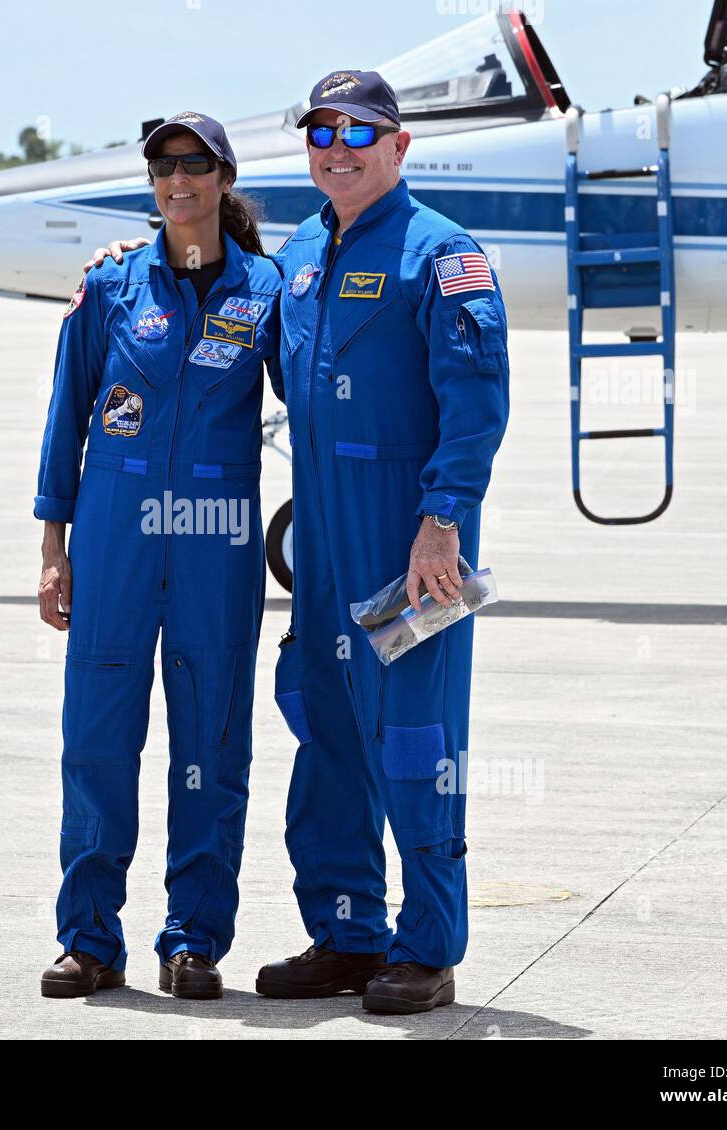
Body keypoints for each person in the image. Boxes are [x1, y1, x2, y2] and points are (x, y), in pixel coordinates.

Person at [89, 70, 509, 1014]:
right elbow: (228, 322)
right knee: (327, 736)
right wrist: (141, 250)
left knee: (413, 740)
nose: (338, 147)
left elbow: (478, 405)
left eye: (360, 132)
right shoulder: (303, 258)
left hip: (413, 547)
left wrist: (443, 521)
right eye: (322, 130)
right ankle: (350, 934)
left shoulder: (442, 257)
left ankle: (429, 947)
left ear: (398, 147)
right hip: (321, 545)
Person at [34, 112, 281, 1001]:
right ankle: (90, 940)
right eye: (161, 168)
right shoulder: (109, 289)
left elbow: (322, 395)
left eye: (192, 164)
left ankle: (193, 942)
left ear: (222, 177)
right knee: (98, 737)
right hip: (115, 537)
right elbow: (67, 422)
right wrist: (54, 549)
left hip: (216, 539)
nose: (176, 180)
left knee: (212, 740)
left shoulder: (269, 289)